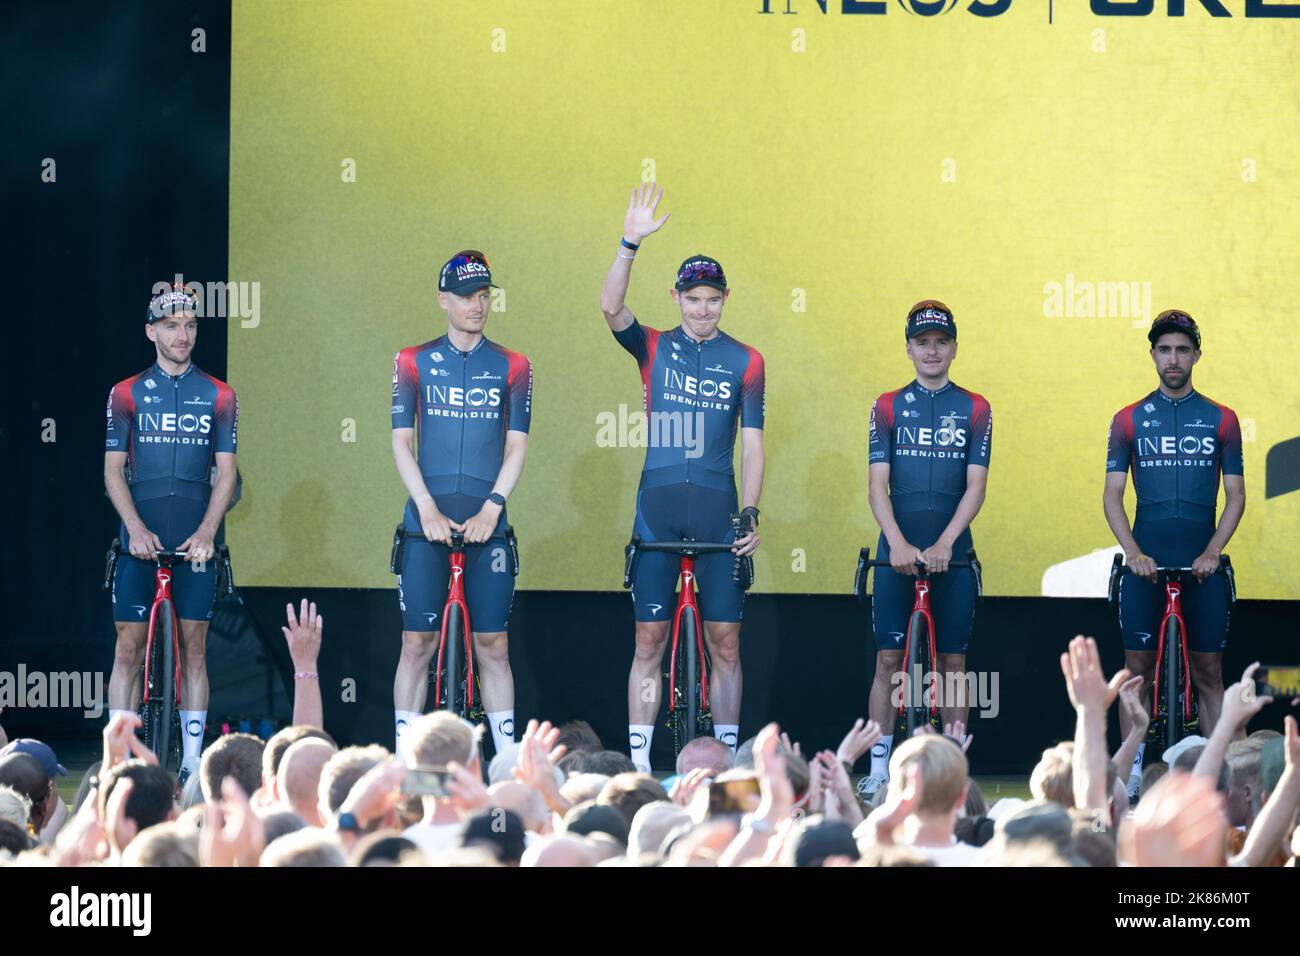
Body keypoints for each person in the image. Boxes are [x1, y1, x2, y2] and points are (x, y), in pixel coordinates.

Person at [599, 182, 766, 772]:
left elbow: (752, 444)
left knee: (726, 645)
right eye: (692, 299)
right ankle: (642, 767)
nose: (702, 309)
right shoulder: (653, 346)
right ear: (675, 297)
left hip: (720, 514)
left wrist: (750, 512)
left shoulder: (747, 360)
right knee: (649, 643)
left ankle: (723, 764)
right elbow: (611, 307)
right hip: (658, 513)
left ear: (725, 300)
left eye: (712, 300)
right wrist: (629, 244)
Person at [390, 251, 533, 757]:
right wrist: (425, 507)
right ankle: (407, 760)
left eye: (484, 295)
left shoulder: (515, 365)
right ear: (442, 300)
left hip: (487, 524)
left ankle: (510, 762)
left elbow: (516, 447)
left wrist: (493, 507)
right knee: (416, 645)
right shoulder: (411, 360)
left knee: (494, 646)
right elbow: (401, 442)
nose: (477, 305)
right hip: (424, 523)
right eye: (467, 296)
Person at [1103, 310, 1244, 797]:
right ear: (1153, 355)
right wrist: (1133, 552)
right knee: (1136, 674)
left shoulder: (1222, 418)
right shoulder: (1127, 418)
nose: (1174, 359)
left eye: (1183, 349)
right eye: (1164, 349)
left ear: (1197, 355)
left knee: (1209, 674)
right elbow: (1111, 496)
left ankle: (1215, 783)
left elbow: (1237, 495)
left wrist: (1213, 550)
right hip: (1146, 567)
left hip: (1202, 567)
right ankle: (1134, 776)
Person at [104, 282, 239, 786]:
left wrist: (208, 531)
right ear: (151, 331)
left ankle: (192, 762)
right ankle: (119, 756)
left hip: (195, 542)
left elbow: (225, 474)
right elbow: (113, 471)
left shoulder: (219, 394)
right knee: (127, 649)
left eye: (190, 326)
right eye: (171, 326)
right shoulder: (125, 393)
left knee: (195, 647)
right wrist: (134, 529)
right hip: (139, 541)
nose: (182, 335)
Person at [861, 300, 991, 799]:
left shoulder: (976, 406)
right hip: (896, 544)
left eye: (941, 342)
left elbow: (976, 487)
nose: (932, 351)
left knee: (953, 665)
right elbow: (877, 485)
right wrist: (895, 541)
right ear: (909, 349)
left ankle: (953, 766)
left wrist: (945, 542)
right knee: (888, 662)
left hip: (952, 549)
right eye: (923, 342)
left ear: (954, 348)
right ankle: (877, 768)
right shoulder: (887, 405)